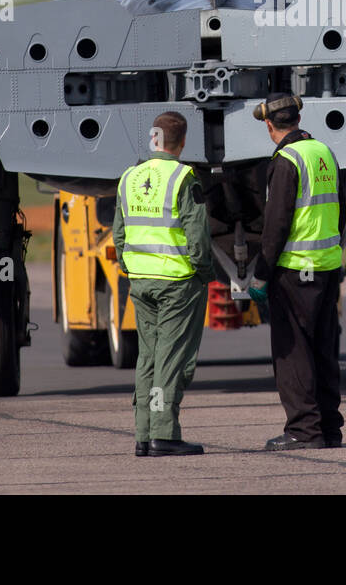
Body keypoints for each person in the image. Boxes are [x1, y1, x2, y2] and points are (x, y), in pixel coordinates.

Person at [112, 111, 214, 457]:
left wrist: (133, 268)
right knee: (172, 359)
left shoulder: (129, 176)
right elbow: (197, 232)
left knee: (148, 358)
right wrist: (203, 271)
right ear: (182, 142)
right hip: (176, 282)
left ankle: (143, 433)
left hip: (141, 282)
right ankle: (164, 434)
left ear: (153, 138)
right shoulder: (183, 178)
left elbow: (119, 234)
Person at [248, 93, 344, 450]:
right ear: (298, 120)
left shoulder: (285, 160)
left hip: (295, 271)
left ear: (270, 125)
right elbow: (341, 207)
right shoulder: (324, 153)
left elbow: (276, 226)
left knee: (293, 354)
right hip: (327, 265)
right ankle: (329, 428)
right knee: (324, 349)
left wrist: (260, 275)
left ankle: (304, 431)